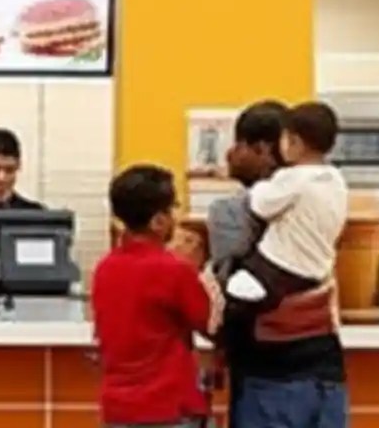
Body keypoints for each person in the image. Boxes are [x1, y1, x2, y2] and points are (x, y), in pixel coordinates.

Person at [214, 101, 348, 428]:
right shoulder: (331, 186)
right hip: (327, 367)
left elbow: (226, 287)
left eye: (240, 145)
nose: (231, 154)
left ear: (263, 149)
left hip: (270, 373)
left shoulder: (233, 211)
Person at [92, 164, 219, 428]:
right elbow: (211, 324)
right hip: (168, 405)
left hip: (118, 408)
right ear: (158, 221)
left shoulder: (104, 269)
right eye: (173, 208)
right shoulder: (174, 270)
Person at [224, 101, 348, 317]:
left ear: (294, 142)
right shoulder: (335, 180)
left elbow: (261, 206)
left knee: (237, 288)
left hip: (281, 268)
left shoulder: (292, 178)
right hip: (317, 269)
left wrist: (258, 188)